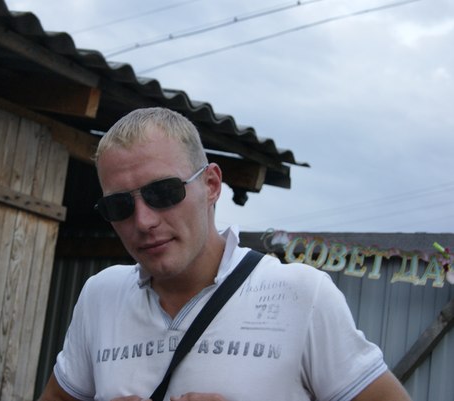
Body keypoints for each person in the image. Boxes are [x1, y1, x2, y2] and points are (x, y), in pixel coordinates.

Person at [39, 107, 411, 401]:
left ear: (211, 185)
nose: (144, 221)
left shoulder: (300, 294)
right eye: (118, 205)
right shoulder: (100, 296)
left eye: (163, 192)